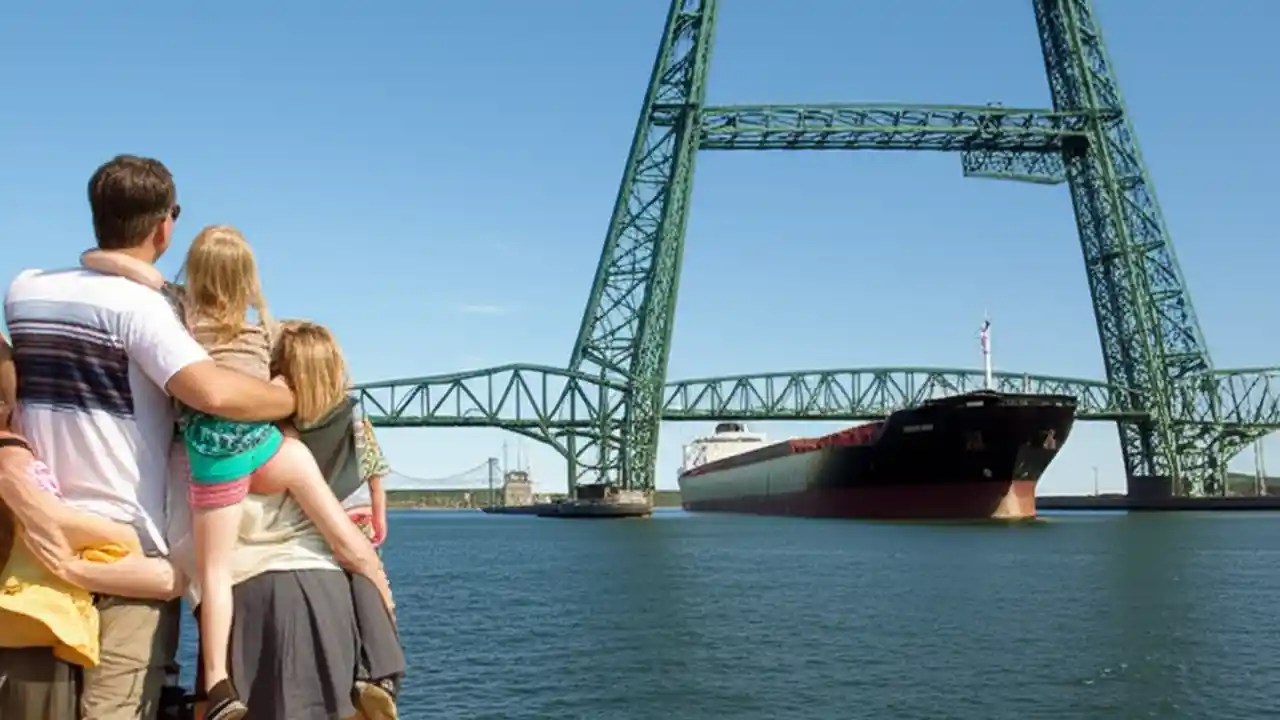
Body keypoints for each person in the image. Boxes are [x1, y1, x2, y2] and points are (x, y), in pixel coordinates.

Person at [0, 154, 297, 720]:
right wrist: (292, 396)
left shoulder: (24, 290)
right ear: (166, 225)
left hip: (36, 540)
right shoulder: (146, 310)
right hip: (131, 546)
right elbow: (212, 391)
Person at [83, 227, 393, 720]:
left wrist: (92, 255)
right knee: (346, 536)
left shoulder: (178, 315)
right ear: (249, 279)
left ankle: (217, 683)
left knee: (214, 573)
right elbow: (311, 368)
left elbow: (131, 269)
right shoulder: (266, 328)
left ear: (197, 273)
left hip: (215, 457)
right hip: (268, 446)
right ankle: (381, 665)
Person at [271, 320, 404, 717]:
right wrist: (380, 519)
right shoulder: (356, 417)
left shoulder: (285, 421)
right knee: (370, 584)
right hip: (357, 514)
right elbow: (376, 471)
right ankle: (380, 673)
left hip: (314, 516)